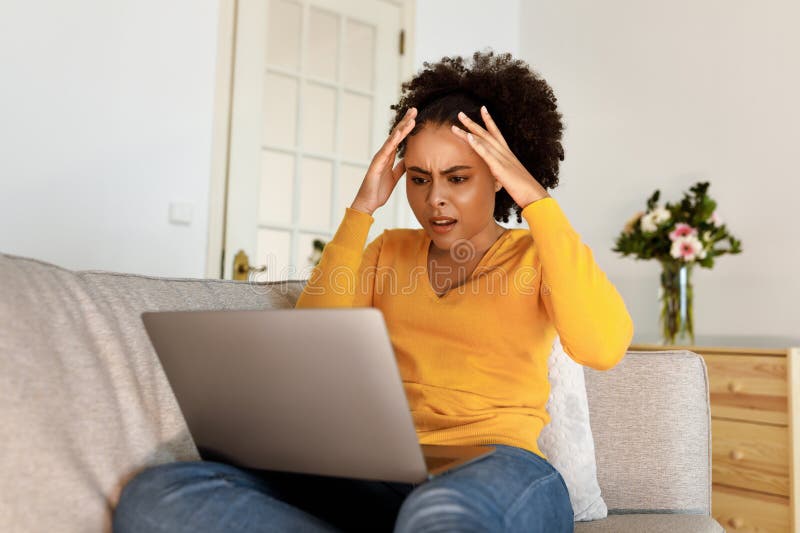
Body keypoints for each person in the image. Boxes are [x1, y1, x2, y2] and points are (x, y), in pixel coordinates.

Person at [113, 51, 633, 533]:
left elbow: (602, 345)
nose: (436, 201)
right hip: (380, 472)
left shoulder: (538, 254)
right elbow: (311, 345)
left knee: (440, 513)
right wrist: (362, 208)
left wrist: (535, 200)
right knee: (157, 495)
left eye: (458, 178)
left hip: (500, 470)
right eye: (419, 179)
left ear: (499, 177)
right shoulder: (388, 251)